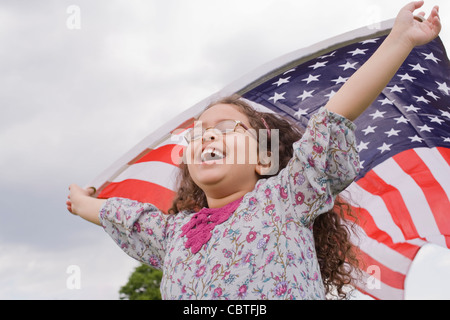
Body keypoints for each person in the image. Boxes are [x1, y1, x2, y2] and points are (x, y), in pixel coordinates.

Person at [66, 1, 441, 299]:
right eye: (198, 135)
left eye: (226, 128)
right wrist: (82, 203)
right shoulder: (173, 234)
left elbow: (337, 113)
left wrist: (400, 40)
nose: (207, 138)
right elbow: (123, 216)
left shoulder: (287, 198)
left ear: (264, 157)